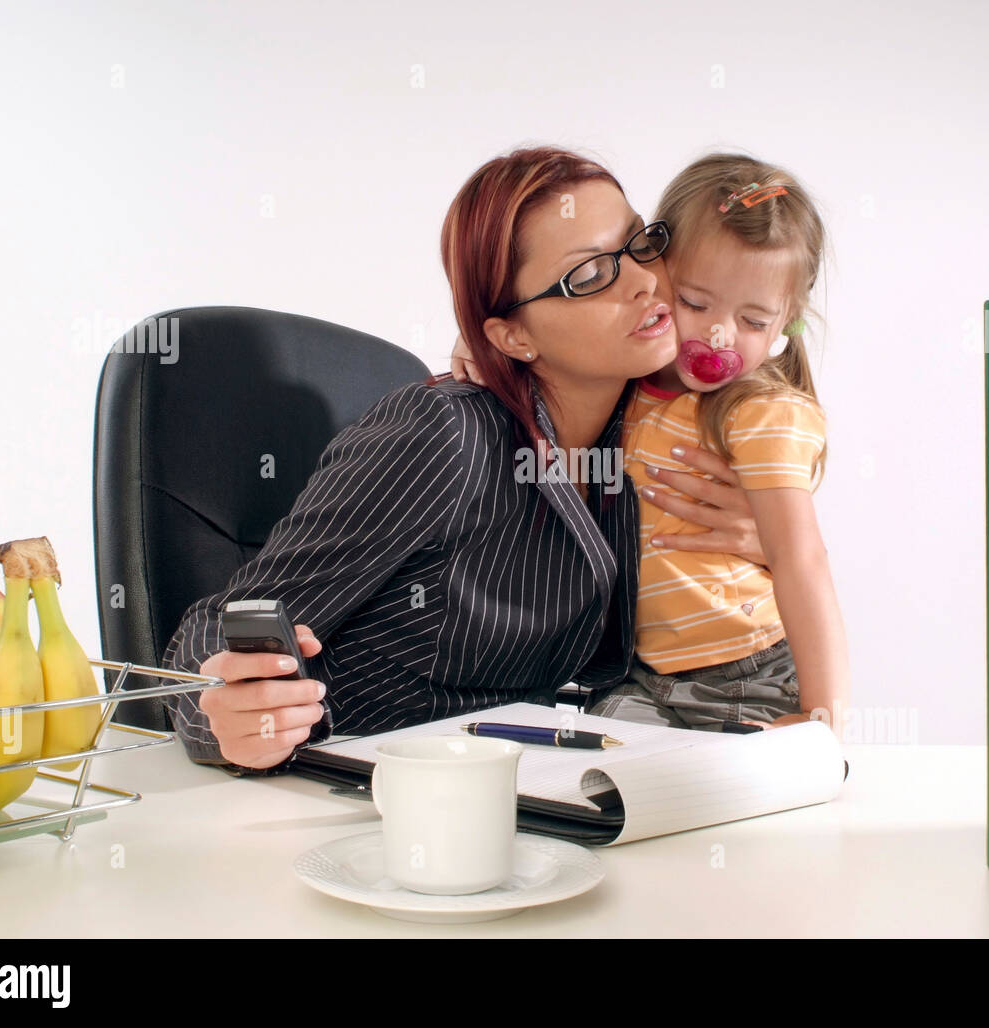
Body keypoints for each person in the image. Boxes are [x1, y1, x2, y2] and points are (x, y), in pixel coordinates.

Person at [160, 146, 768, 774]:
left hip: (532, 787)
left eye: (642, 244)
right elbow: (209, 633)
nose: (645, 281)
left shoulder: (651, 433)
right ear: (512, 335)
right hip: (362, 797)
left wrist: (765, 541)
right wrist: (221, 712)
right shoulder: (446, 434)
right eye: (589, 274)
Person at [453, 152, 849, 734]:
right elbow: (542, 346)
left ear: (788, 323)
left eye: (755, 320)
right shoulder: (625, 382)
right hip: (640, 674)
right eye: (694, 302)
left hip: (746, 672)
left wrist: (824, 720)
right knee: (595, 778)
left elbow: (802, 560)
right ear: (660, 269)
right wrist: (480, 349)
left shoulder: (760, 412)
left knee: (730, 797)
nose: (719, 334)